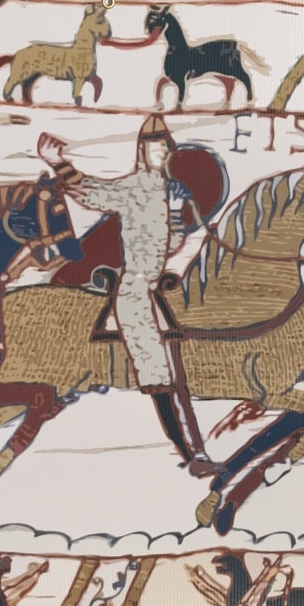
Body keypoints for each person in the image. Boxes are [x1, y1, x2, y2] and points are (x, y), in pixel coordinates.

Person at [72, 112, 215, 476]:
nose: (161, 152)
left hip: (155, 286)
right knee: (158, 370)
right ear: (141, 151)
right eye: (154, 147)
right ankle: (190, 454)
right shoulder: (134, 187)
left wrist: (177, 210)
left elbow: (172, 245)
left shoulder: (166, 191)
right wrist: (61, 166)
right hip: (134, 290)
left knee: (178, 367)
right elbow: (94, 194)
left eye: (165, 147)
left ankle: (196, 449)